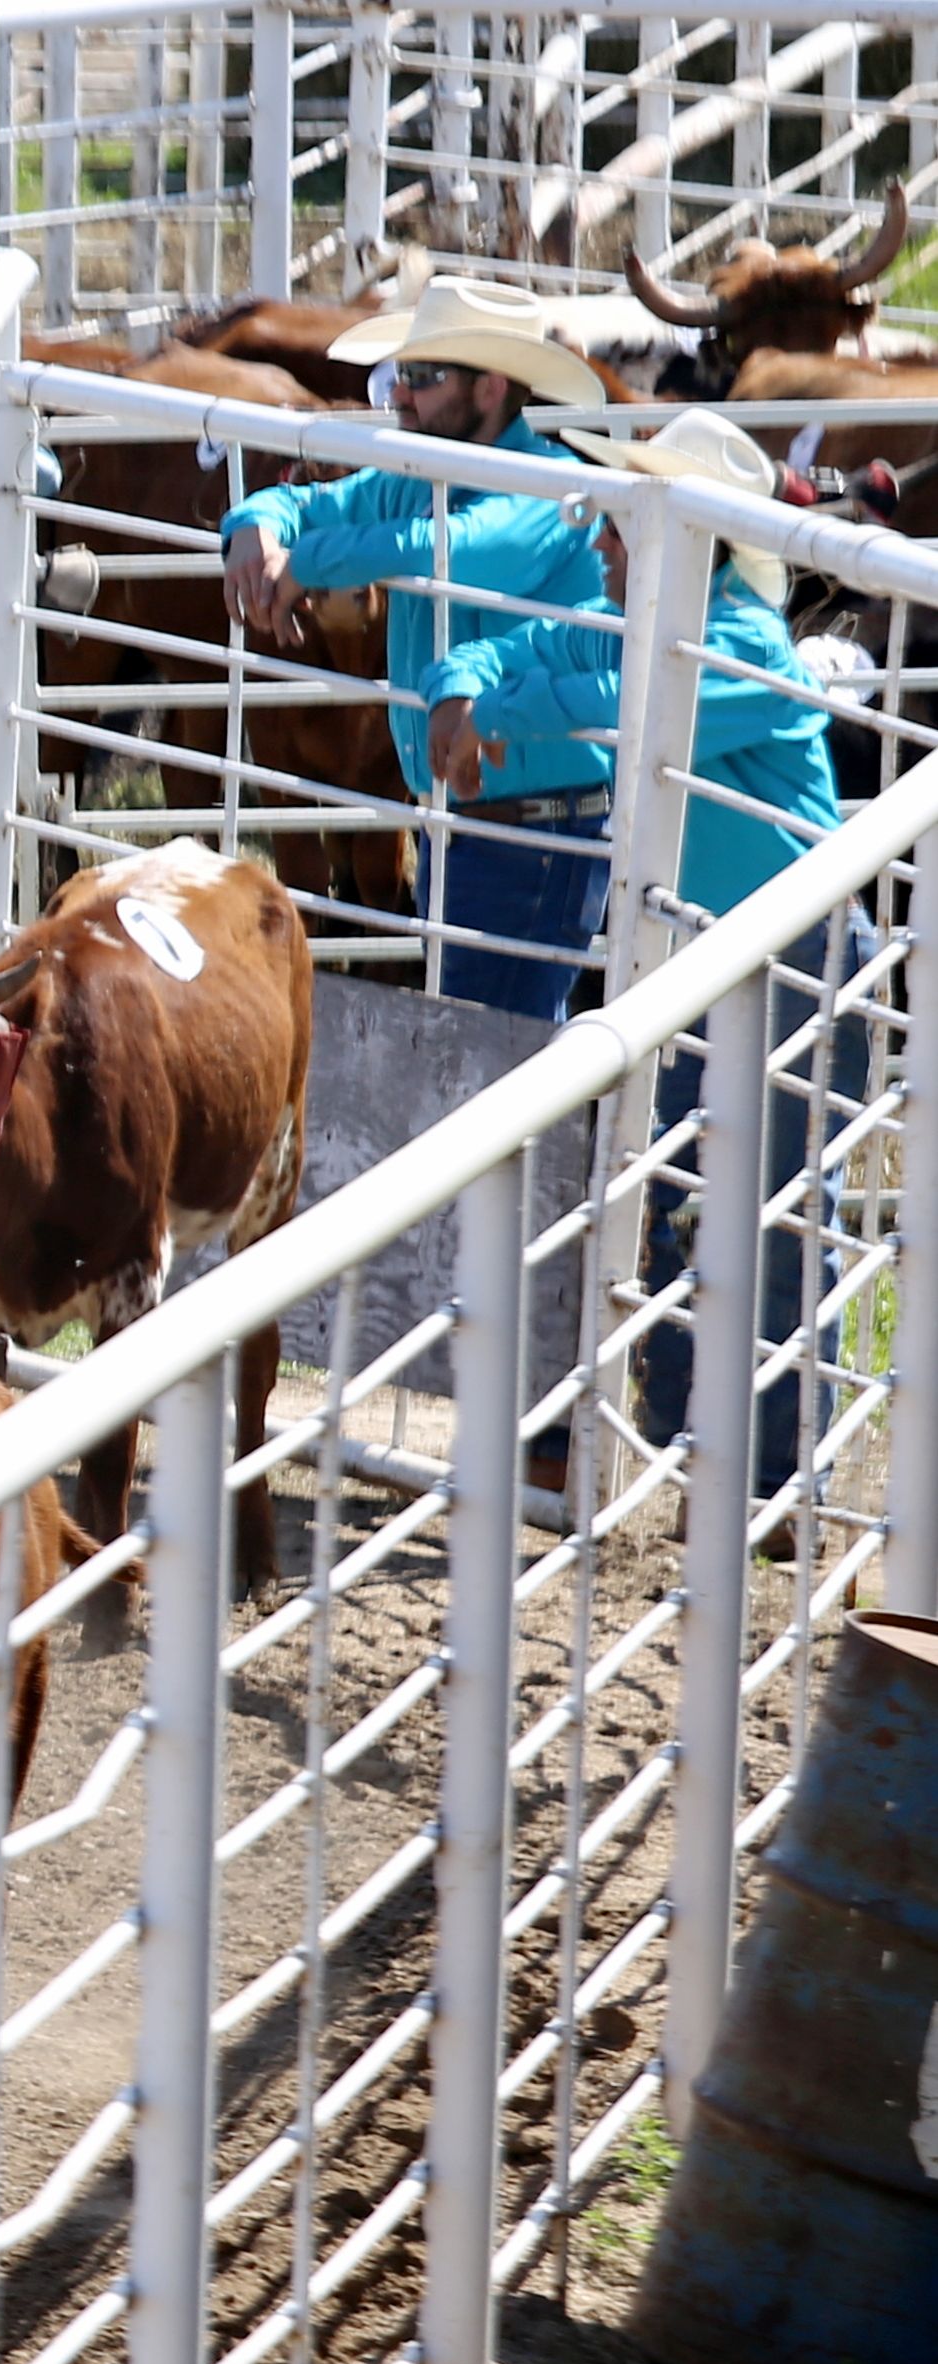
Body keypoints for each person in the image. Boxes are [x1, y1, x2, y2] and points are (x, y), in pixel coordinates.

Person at [422, 408, 856, 1531]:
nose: (605, 545)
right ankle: (684, 1458)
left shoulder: (740, 643)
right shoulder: (661, 626)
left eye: (626, 526)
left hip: (789, 955)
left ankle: (768, 1490)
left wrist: (490, 705)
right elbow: (506, 651)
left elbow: (625, 710)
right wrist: (459, 692)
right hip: (705, 950)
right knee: (676, 1194)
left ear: (687, 539)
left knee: (774, 1222)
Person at [219, 275, 618, 1021]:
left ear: (491, 388)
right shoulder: (423, 474)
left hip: (534, 826)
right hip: (476, 820)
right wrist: (254, 528)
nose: (401, 395)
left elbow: (451, 549)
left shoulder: (553, 487)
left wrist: (304, 564)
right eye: (397, 376)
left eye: (423, 379)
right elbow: (302, 501)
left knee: (489, 1056)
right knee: (494, 1052)